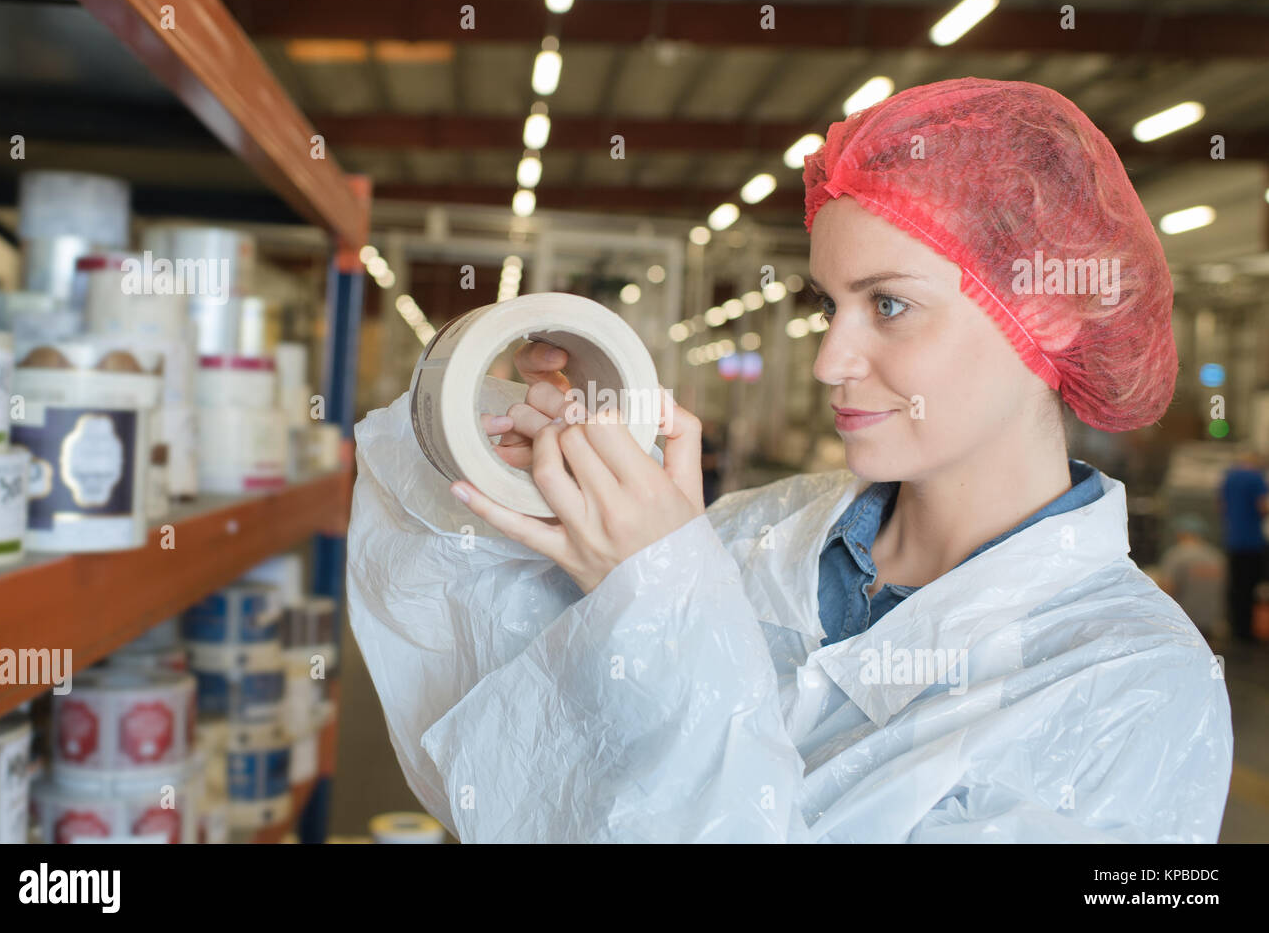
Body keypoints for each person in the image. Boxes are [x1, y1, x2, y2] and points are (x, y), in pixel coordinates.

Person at [348, 78, 1233, 842]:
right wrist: (501, 416)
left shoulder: (1134, 687)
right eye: (828, 304)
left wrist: (664, 607)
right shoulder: (757, 534)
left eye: (888, 305)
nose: (828, 361)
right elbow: (486, 726)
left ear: (1051, 313)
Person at [1219, 448, 1269, 641]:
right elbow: (1262, 507)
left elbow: (1221, 506)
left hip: (1233, 539)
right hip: (1252, 541)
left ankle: (1236, 628)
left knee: (1236, 586)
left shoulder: (1229, 478)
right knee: (1250, 587)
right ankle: (1247, 631)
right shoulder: (1256, 479)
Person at [1157, 514, 1228, 641]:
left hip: (1185, 623)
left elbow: (1167, 589)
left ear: (1181, 533)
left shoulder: (1176, 555)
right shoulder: (1217, 557)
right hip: (1212, 623)